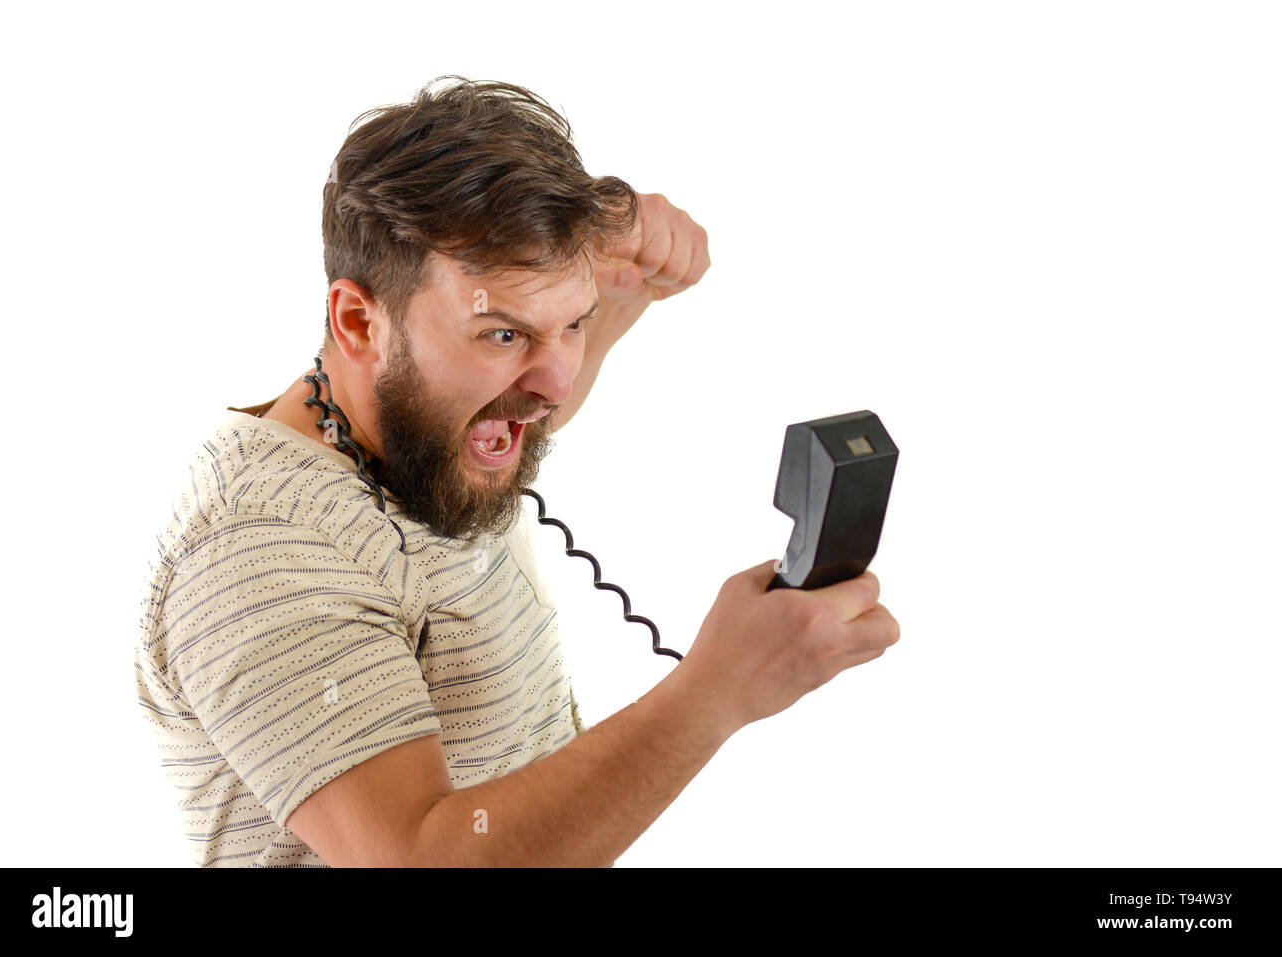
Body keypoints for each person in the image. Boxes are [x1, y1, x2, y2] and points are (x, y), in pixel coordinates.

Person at [134, 75, 900, 868]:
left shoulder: (432, 435)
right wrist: (712, 693)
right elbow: (420, 858)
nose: (557, 381)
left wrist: (617, 296)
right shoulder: (260, 546)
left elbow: (522, 402)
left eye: (569, 323)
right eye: (503, 336)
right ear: (360, 321)